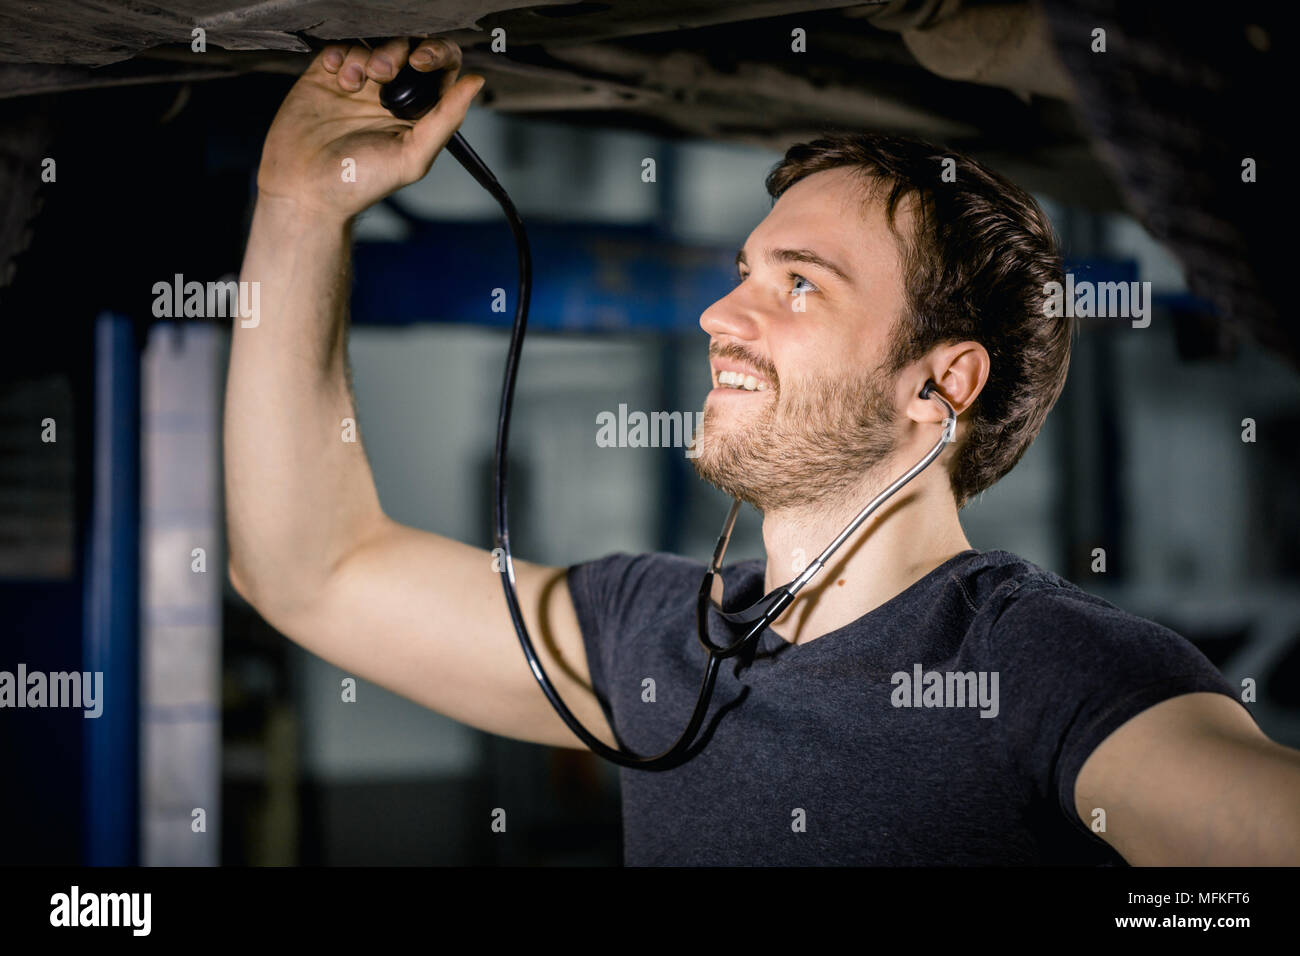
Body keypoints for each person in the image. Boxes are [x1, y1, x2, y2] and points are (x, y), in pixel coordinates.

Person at [225, 36, 1300, 866]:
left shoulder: (1039, 669)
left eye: (798, 283)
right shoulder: (653, 635)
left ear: (941, 380)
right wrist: (300, 206)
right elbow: (308, 566)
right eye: (743, 270)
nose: (716, 316)